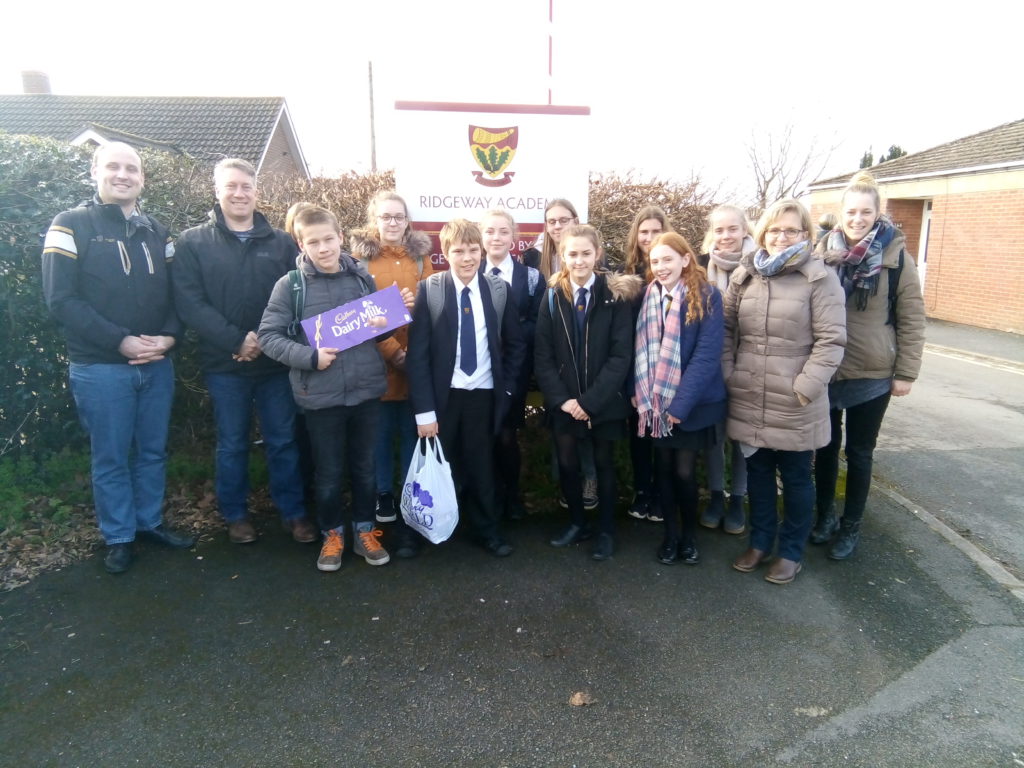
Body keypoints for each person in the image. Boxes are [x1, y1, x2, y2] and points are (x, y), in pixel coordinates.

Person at [41, 142, 195, 574]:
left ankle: (149, 523)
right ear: (95, 171)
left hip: (157, 363)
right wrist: (120, 341)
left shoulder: (156, 231)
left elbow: (176, 295)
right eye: (113, 166)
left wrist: (169, 337)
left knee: (151, 451)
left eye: (132, 168)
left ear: (143, 178)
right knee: (111, 455)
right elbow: (61, 299)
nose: (123, 175)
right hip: (100, 366)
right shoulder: (68, 225)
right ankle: (120, 536)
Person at [258, 206, 413, 572]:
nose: (323, 248)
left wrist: (385, 323)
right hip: (321, 397)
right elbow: (268, 336)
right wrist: (310, 357)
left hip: (365, 392)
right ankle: (332, 533)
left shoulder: (361, 278)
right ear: (301, 243)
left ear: (341, 238)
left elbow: (376, 333)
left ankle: (364, 531)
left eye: (329, 239)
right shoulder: (291, 285)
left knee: (364, 469)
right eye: (314, 242)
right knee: (327, 474)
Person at [173, 158, 312, 546]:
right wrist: (236, 340)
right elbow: (190, 303)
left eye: (245, 186)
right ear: (217, 191)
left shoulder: (281, 243)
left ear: (256, 191)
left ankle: (294, 512)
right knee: (232, 442)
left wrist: (265, 341)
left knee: (283, 440)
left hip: (275, 363)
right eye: (230, 186)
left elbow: (299, 298)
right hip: (224, 363)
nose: (238, 193)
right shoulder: (193, 242)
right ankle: (235, 515)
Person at [722, 199, 846, 584]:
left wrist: (805, 388)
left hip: (793, 398)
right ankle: (760, 541)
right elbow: (726, 330)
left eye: (790, 230)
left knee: (794, 477)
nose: (781, 237)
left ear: (805, 235)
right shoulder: (745, 276)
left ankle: (791, 550)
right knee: (757, 472)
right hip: (748, 392)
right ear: (762, 234)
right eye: (774, 230)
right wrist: (729, 373)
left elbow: (832, 341)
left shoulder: (819, 278)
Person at [811, 171, 925, 559]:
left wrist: (906, 372)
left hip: (873, 374)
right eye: (851, 211)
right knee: (824, 448)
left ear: (878, 213)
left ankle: (851, 526)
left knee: (859, 453)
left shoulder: (896, 258)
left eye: (865, 212)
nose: (857, 218)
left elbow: (912, 317)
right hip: (827, 370)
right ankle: (824, 515)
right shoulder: (819, 251)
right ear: (840, 213)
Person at [406, 219, 526, 557]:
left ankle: (487, 530)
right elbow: (418, 357)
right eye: (459, 251)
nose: (468, 257)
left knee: (481, 465)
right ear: (446, 253)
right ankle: (423, 531)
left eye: (474, 250)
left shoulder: (498, 290)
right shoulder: (431, 289)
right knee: (437, 466)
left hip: (484, 394)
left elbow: (516, 345)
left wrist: (505, 390)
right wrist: (425, 411)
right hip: (444, 397)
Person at [535, 225, 641, 560]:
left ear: (597, 254)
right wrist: (563, 400)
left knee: (604, 464)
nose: (578, 260)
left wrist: (590, 402)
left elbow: (621, 354)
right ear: (562, 256)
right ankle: (578, 523)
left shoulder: (614, 296)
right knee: (568, 464)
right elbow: (543, 352)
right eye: (572, 254)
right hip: (564, 403)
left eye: (585, 253)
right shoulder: (553, 295)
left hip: (603, 403)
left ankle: (606, 530)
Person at [634, 232, 727, 565]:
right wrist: (638, 393)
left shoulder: (707, 296)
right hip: (656, 404)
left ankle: (689, 537)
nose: (660, 267)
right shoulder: (647, 297)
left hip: (691, 406)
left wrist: (679, 407)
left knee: (685, 473)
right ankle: (670, 536)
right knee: (663, 471)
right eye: (655, 261)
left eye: (667, 260)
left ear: (686, 259)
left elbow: (706, 355)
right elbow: (640, 352)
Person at [350, 192, 434, 557]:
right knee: (380, 436)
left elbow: (433, 308)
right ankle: (384, 491)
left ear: (407, 221)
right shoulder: (359, 261)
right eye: (385, 217)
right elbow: (355, 315)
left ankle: (409, 496)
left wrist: (413, 353)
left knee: (410, 434)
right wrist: (392, 351)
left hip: (414, 363)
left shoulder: (420, 260)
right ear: (374, 220)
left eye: (399, 217)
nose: (393, 223)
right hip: (377, 363)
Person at [479, 209, 543, 522]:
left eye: (503, 232)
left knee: (506, 436)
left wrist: (509, 331)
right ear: (482, 236)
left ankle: (511, 497)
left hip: (514, 369)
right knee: (480, 436)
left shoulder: (530, 277)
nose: (496, 238)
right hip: (474, 370)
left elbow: (538, 323)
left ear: (513, 237)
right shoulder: (469, 272)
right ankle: (483, 498)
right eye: (490, 231)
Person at [697, 204, 754, 535]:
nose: (726, 236)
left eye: (732, 228)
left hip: (749, 362)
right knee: (715, 437)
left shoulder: (761, 265)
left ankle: (738, 499)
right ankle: (716, 496)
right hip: (713, 362)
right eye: (719, 230)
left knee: (742, 436)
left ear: (745, 230)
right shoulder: (703, 267)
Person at [621, 206, 674, 523]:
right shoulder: (626, 274)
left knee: (663, 438)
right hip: (635, 367)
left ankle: (660, 493)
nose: (650, 237)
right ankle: (642, 491)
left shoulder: (673, 271)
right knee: (639, 435)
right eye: (644, 232)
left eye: (656, 231)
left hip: (666, 368)